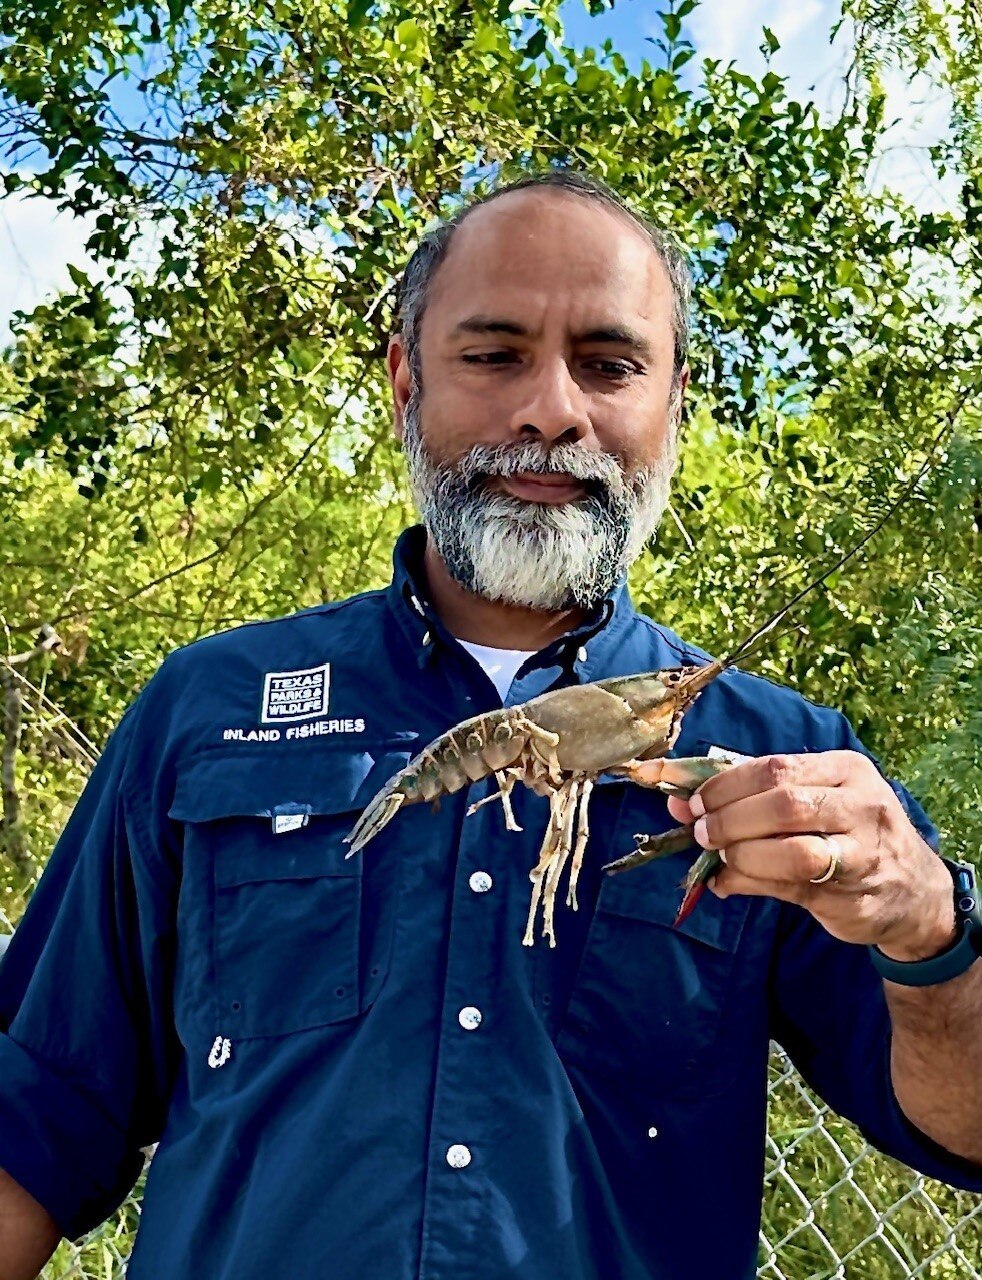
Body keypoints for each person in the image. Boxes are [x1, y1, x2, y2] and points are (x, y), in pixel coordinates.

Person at [1, 170, 980, 1280]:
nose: (551, 409)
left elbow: (966, 1128)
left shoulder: (784, 759)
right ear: (405, 378)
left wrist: (926, 919)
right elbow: (34, 1112)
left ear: (675, 402)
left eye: (608, 366)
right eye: (493, 353)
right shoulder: (205, 707)